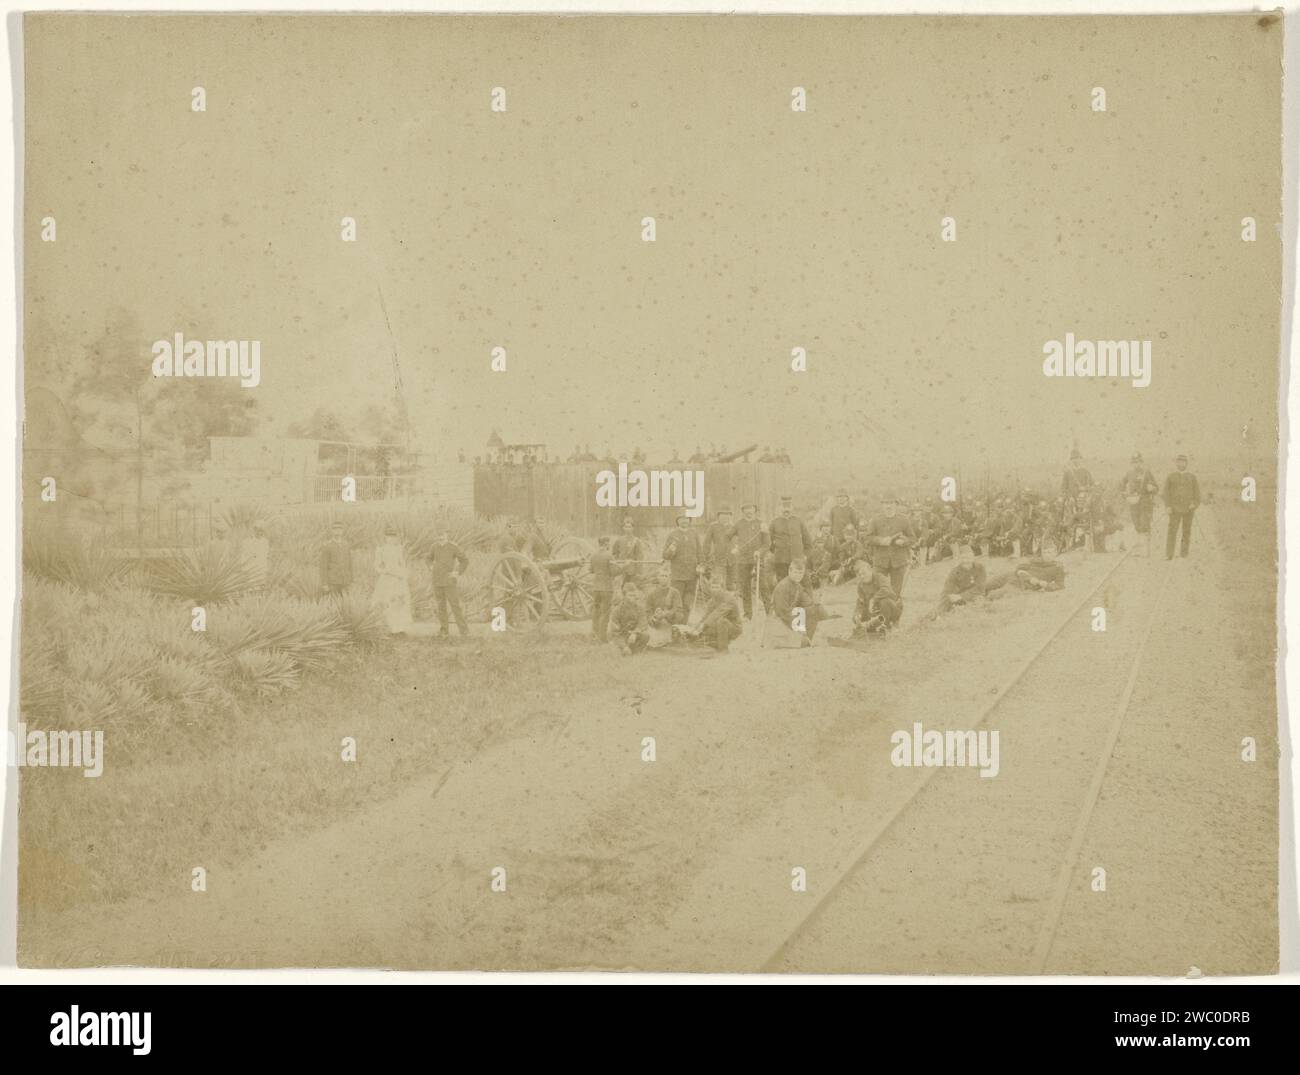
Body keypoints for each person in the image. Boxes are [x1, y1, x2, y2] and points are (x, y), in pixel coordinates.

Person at [769, 557, 832, 647]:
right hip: (780, 621)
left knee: (817, 608)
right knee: (803, 641)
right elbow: (782, 612)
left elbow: (808, 603)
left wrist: (817, 606)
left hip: (794, 617)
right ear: (789, 571)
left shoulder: (797, 586)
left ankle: (822, 634)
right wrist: (801, 631)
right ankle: (805, 639)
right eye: (795, 572)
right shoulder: (782, 586)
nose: (798, 576)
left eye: (800, 573)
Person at [862, 493, 915, 596]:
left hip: (899, 562)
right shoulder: (875, 520)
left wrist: (903, 542)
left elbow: (912, 538)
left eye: (891, 503)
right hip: (880, 561)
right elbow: (867, 538)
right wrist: (880, 541)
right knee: (876, 589)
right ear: (882, 505)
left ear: (896, 504)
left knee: (896, 592)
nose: (888, 506)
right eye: (886, 503)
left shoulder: (903, 520)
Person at [680, 576, 744, 652]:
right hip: (719, 624)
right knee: (703, 632)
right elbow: (705, 616)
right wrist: (695, 629)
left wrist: (703, 626)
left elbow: (718, 613)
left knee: (721, 621)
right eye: (712, 587)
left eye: (717, 587)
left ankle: (723, 649)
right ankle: (715, 642)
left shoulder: (729, 598)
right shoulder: (712, 601)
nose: (714, 590)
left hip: (734, 627)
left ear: (722, 588)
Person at [429, 528, 470, 639]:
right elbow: (428, 558)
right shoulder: (434, 547)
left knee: (455, 606)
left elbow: (465, 560)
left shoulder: (453, 547)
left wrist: (457, 572)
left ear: (447, 534)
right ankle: (444, 631)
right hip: (437, 581)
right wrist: (430, 566)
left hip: (449, 581)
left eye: (442, 534)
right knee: (441, 606)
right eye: (438, 534)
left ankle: (464, 631)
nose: (440, 537)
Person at [372, 527, 413, 633]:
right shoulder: (380, 549)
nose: (391, 538)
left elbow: (402, 563)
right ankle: (388, 628)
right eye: (389, 536)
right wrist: (386, 571)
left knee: (399, 602)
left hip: (398, 579)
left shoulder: (399, 548)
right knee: (387, 601)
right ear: (385, 537)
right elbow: (376, 566)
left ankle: (400, 628)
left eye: (393, 536)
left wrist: (403, 575)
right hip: (387, 578)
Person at [1162, 454, 1201, 559]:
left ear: (1186, 464)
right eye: (1179, 462)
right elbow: (1165, 493)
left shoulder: (1192, 477)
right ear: (1176, 463)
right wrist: (1168, 506)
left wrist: (1194, 504)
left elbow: (1197, 494)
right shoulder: (1171, 477)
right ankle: (1169, 554)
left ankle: (1184, 554)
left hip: (1188, 509)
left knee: (1186, 531)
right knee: (1172, 531)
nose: (1181, 464)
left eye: (1183, 462)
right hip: (1174, 509)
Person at [730, 503, 765, 618]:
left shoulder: (761, 524)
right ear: (743, 511)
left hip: (758, 560)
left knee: (764, 585)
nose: (749, 511)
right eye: (746, 509)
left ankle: (768, 612)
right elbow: (727, 536)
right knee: (745, 588)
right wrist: (734, 547)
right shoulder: (739, 524)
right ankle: (748, 614)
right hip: (743, 560)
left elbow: (767, 543)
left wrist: (760, 551)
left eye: (751, 509)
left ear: (755, 510)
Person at [662, 514, 704, 610]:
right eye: (682, 519)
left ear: (689, 520)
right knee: (676, 600)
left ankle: (685, 622)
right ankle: (675, 622)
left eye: (686, 519)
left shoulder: (694, 534)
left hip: (692, 574)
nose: (684, 521)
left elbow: (700, 552)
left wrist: (701, 565)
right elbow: (665, 556)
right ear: (678, 521)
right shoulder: (672, 535)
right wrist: (671, 550)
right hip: (678, 574)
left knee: (688, 601)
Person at [1119, 453, 1159, 550]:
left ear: (1141, 462)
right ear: (1132, 463)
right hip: (1133, 502)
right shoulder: (1129, 473)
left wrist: (1152, 488)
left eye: (1138, 462)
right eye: (1134, 462)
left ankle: (1145, 548)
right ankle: (1141, 546)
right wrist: (1124, 494)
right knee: (1136, 524)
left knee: (1144, 523)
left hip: (1145, 502)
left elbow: (1156, 487)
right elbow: (1121, 484)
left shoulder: (1147, 472)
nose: (1136, 464)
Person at [642, 565, 686, 648]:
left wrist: (665, 614)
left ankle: (671, 636)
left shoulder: (675, 593)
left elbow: (678, 610)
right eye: (662, 575)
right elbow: (647, 610)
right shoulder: (652, 593)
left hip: (669, 621)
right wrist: (654, 618)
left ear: (669, 578)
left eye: (666, 576)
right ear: (658, 577)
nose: (663, 578)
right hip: (655, 622)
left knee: (662, 640)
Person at [769, 495, 811, 581]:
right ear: (780, 508)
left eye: (788, 506)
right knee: (782, 581)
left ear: (792, 508)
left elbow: (807, 540)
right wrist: (776, 552)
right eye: (784, 506)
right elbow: (769, 541)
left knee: (799, 581)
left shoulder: (798, 521)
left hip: (797, 557)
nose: (786, 509)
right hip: (781, 559)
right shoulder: (774, 522)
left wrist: (806, 555)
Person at [610, 580, 650, 655]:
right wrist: (623, 646)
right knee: (619, 651)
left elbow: (643, 623)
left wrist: (635, 633)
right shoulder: (617, 610)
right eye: (630, 595)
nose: (633, 598)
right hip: (622, 636)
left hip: (634, 636)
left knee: (646, 635)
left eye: (634, 595)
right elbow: (615, 633)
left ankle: (636, 651)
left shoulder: (640, 608)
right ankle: (626, 649)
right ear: (624, 596)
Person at [589, 536, 614, 642]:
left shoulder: (593, 555)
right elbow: (613, 572)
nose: (609, 545)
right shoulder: (609, 556)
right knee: (605, 613)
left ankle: (594, 634)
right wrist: (625, 566)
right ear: (606, 543)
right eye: (608, 543)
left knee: (596, 612)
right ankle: (602, 638)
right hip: (606, 588)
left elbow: (591, 570)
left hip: (596, 588)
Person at [611, 516, 645, 590]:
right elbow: (614, 554)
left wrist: (639, 572)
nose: (627, 529)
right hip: (621, 569)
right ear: (623, 528)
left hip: (632, 571)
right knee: (621, 589)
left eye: (629, 527)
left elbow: (640, 557)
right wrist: (617, 564)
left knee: (632, 589)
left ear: (633, 528)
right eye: (626, 527)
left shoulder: (637, 541)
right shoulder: (619, 540)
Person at [320, 522, 353, 596]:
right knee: (333, 603)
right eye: (335, 529)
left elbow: (350, 564)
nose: (338, 531)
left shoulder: (346, 545)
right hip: (333, 581)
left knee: (345, 602)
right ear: (332, 531)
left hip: (345, 580)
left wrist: (351, 580)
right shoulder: (327, 546)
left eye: (340, 528)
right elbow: (323, 566)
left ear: (343, 530)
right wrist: (324, 583)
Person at [244, 521, 271, 586]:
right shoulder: (249, 541)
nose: (259, 533)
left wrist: (265, 565)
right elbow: (246, 554)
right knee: (252, 581)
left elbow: (265, 554)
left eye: (261, 531)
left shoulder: (265, 541)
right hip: (252, 564)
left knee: (261, 581)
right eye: (257, 531)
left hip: (261, 564)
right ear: (254, 531)